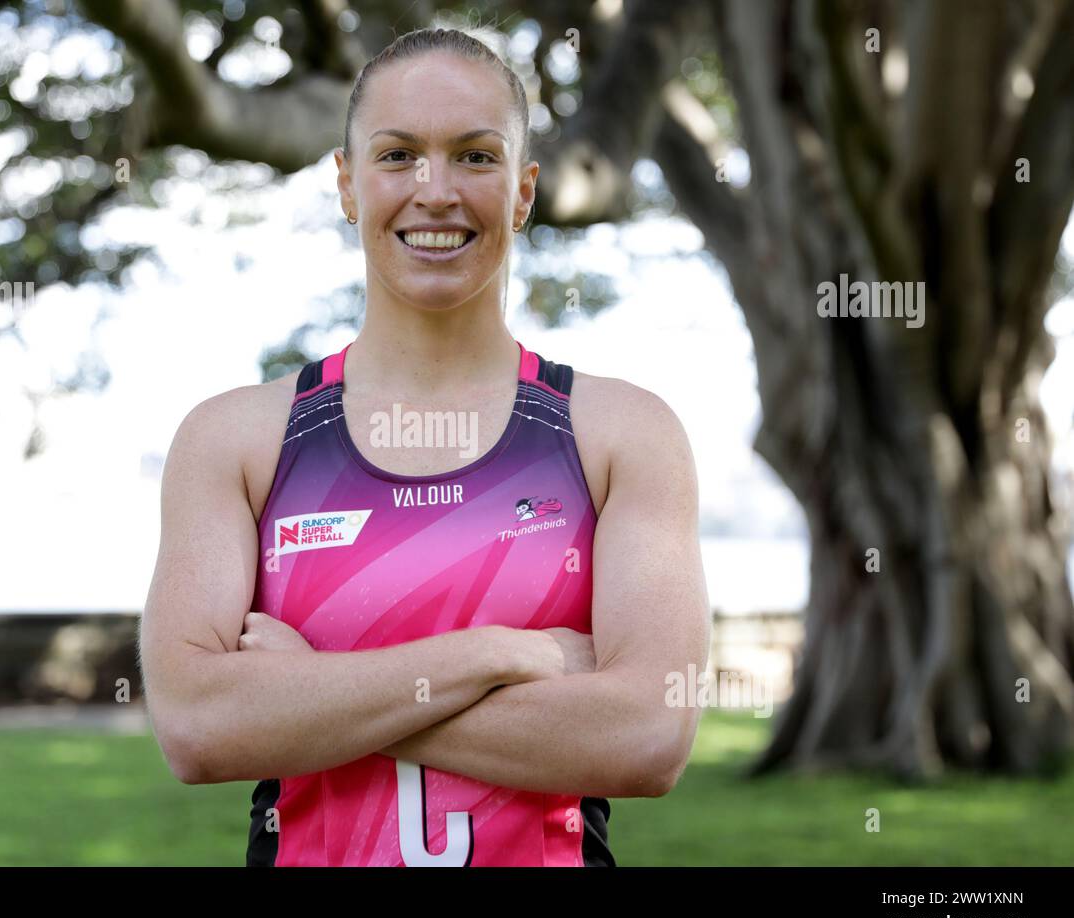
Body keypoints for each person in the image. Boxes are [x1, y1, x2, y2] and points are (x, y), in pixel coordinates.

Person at [139, 27, 710, 866]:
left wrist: (309, 693)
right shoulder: (237, 440)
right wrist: (506, 654)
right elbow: (197, 729)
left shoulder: (619, 434)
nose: (434, 191)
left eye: (476, 158)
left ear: (522, 192)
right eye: (398, 155)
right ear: (346, 185)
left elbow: (647, 737)